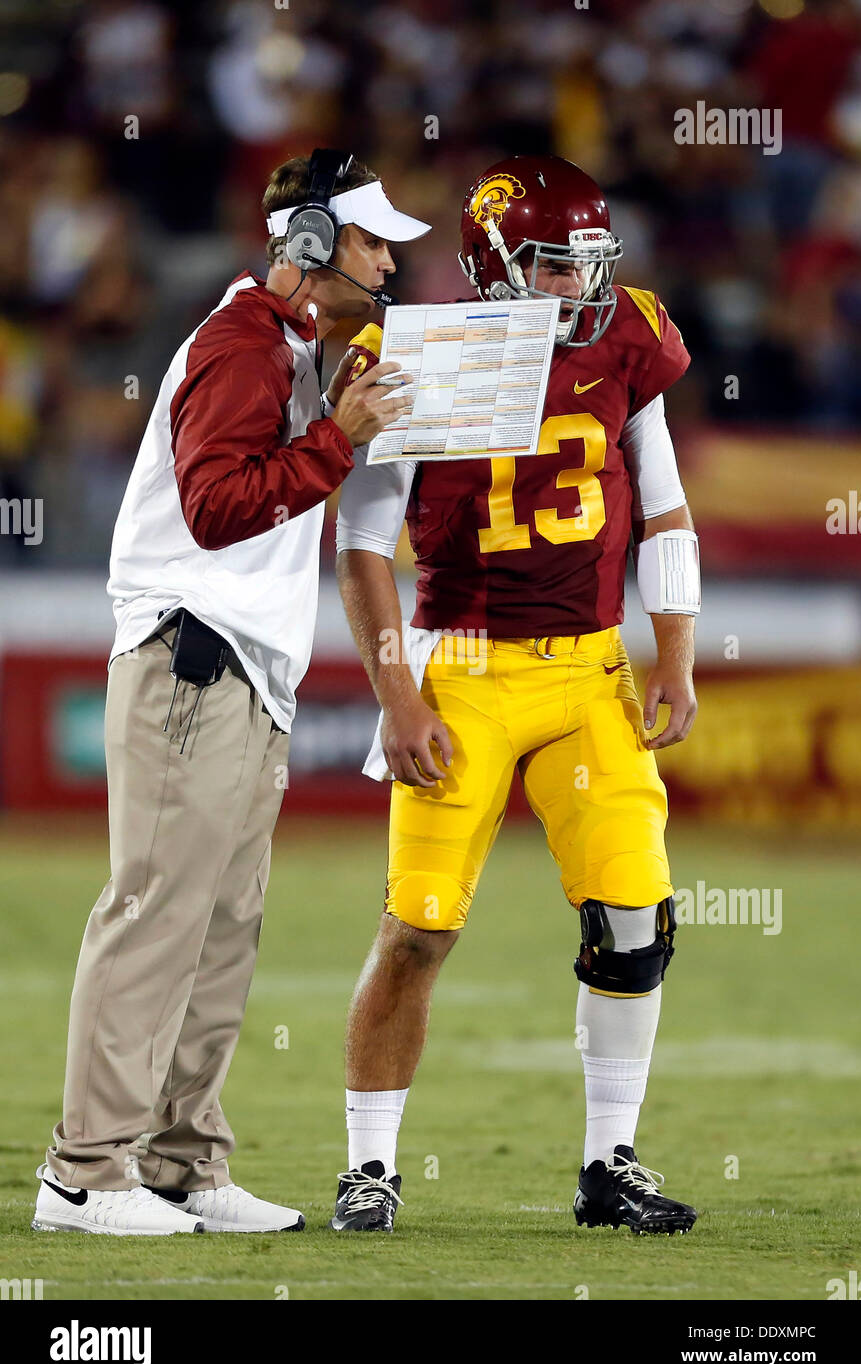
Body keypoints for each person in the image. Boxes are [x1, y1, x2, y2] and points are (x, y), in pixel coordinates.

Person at [33, 150, 428, 1236]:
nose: (388, 259)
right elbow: (217, 506)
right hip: (191, 655)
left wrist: (331, 425)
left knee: (219, 928)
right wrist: (337, 442)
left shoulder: (287, 346)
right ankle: (83, 1173)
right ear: (307, 243)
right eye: (367, 239)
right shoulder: (243, 343)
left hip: (240, 664)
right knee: (156, 915)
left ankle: (179, 1162)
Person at [330, 155, 700, 1235]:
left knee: (633, 921)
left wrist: (671, 651)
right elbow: (361, 544)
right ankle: (369, 1164)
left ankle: (607, 1163)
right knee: (419, 928)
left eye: (588, 264)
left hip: (587, 666)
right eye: (551, 265)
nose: (577, 288)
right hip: (464, 668)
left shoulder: (627, 332)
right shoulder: (418, 352)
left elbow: (664, 506)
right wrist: (397, 696)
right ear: (493, 263)